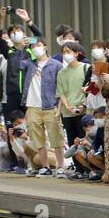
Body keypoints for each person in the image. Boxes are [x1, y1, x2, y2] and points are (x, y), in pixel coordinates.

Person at [22, 37, 67, 178]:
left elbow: (61, 88)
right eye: (33, 46)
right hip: (32, 106)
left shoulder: (56, 65)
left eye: (38, 45)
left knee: (56, 138)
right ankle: (45, 167)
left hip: (50, 106)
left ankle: (60, 167)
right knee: (38, 140)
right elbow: (17, 61)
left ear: (45, 46)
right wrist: (23, 45)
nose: (36, 48)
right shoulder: (29, 64)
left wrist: (59, 109)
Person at [55, 41, 90, 148]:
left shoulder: (86, 68)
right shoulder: (61, 72)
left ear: (76, 53)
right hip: (67, 113)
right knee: (72, 143)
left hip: (83, 111)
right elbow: (61, 93)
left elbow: (90, 89)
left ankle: (86, 165)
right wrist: (67, 107)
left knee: (84, 141)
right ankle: (77, 165)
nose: (66, 54)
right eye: (64, 52)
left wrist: (83, 105)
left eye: (68, 51)